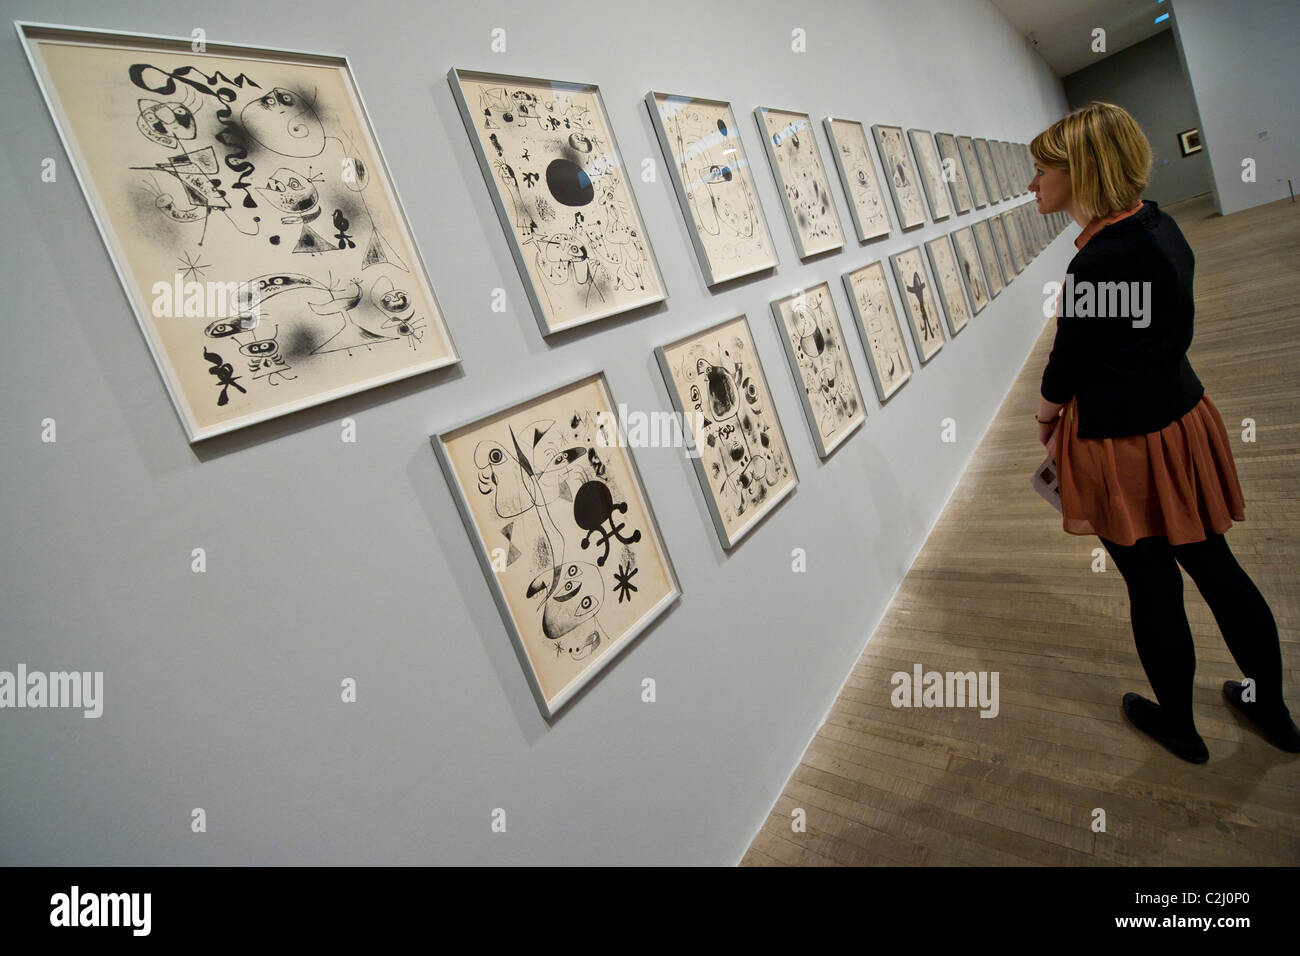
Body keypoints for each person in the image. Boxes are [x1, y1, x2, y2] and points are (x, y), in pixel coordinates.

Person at [1028, 101, 1300, 763]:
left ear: (1080, 171)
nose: (1032, 184)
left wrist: (1043, 416)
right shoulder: (1160, 225)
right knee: (1217, 567)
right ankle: (1272, 710)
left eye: (1041, 170)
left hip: (1124, 443)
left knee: (1152, 585)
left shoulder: (1093, 266)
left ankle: (1180, 725)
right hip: (1180, 422)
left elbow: (1069, 363)